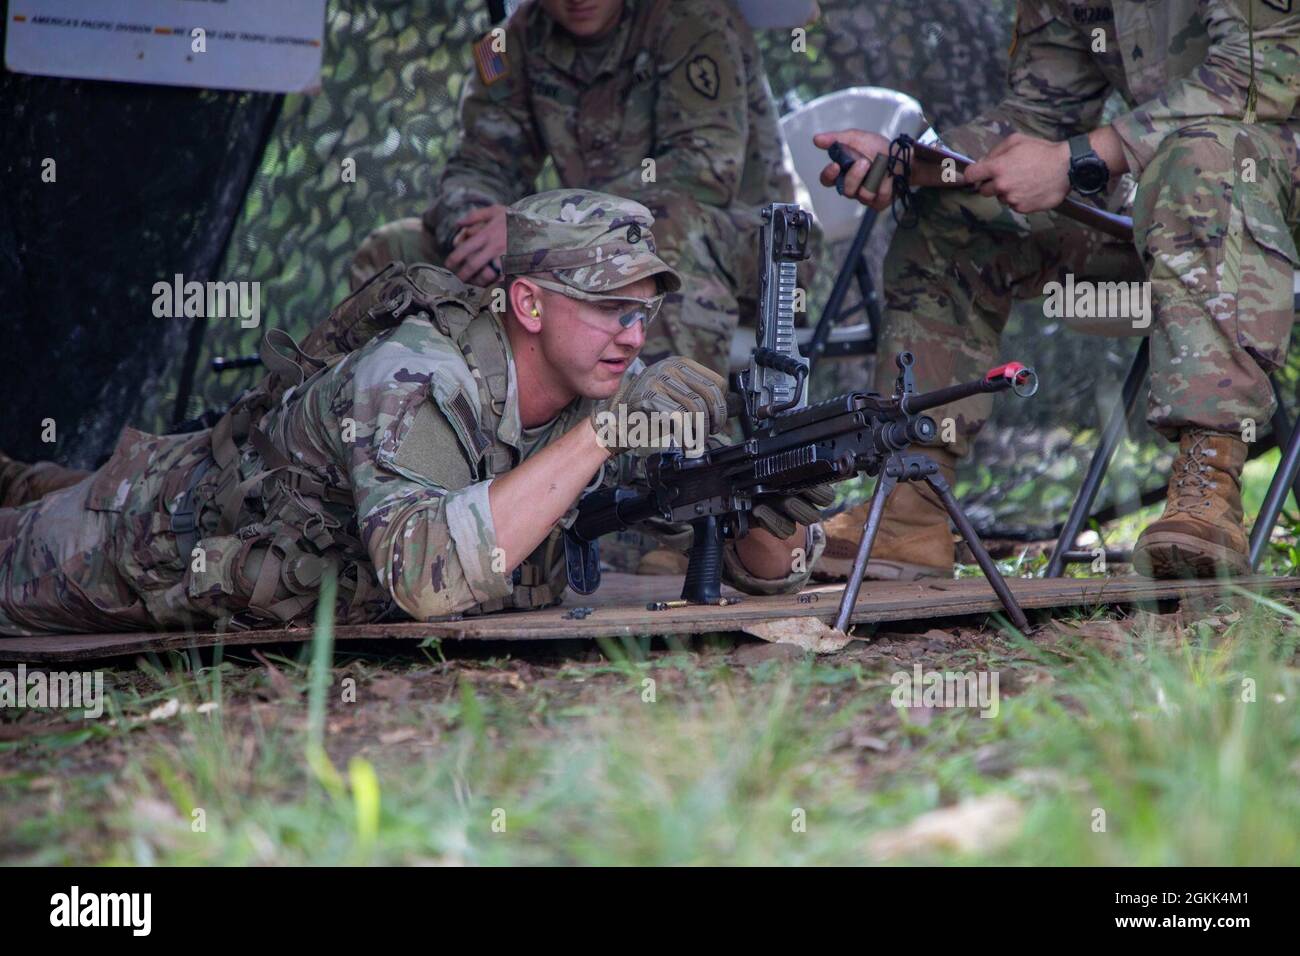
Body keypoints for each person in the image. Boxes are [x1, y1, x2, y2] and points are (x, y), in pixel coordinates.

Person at [0, 190, 824, 637]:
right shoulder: (417, 375)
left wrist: (756, 499)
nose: (634, 334)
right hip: (150, 541)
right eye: (611, 308)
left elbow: (766, 566)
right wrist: (606, 435)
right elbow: (425, 577)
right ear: (529, 305)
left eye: (643, 312)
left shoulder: (613, 377)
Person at [811, 0, 1299, 580]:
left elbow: (1265, 72)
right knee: (953, 213)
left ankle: (1208, 489)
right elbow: (1040, 112)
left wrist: (1078, 159)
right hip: (1167, 203)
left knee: (1202, 160)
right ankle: (912, 502)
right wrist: (916, 163)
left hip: (1262, 193)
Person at [349, 0, 815, 378]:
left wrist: (538, 230)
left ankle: (664, 458)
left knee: (656, 245)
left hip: (761, 250)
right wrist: (477, 236)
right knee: (398, 248)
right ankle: (404, 440)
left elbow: (703, 171)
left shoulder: (693, 18)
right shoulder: (512, 43)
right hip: (584, 247)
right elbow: (479, 163)